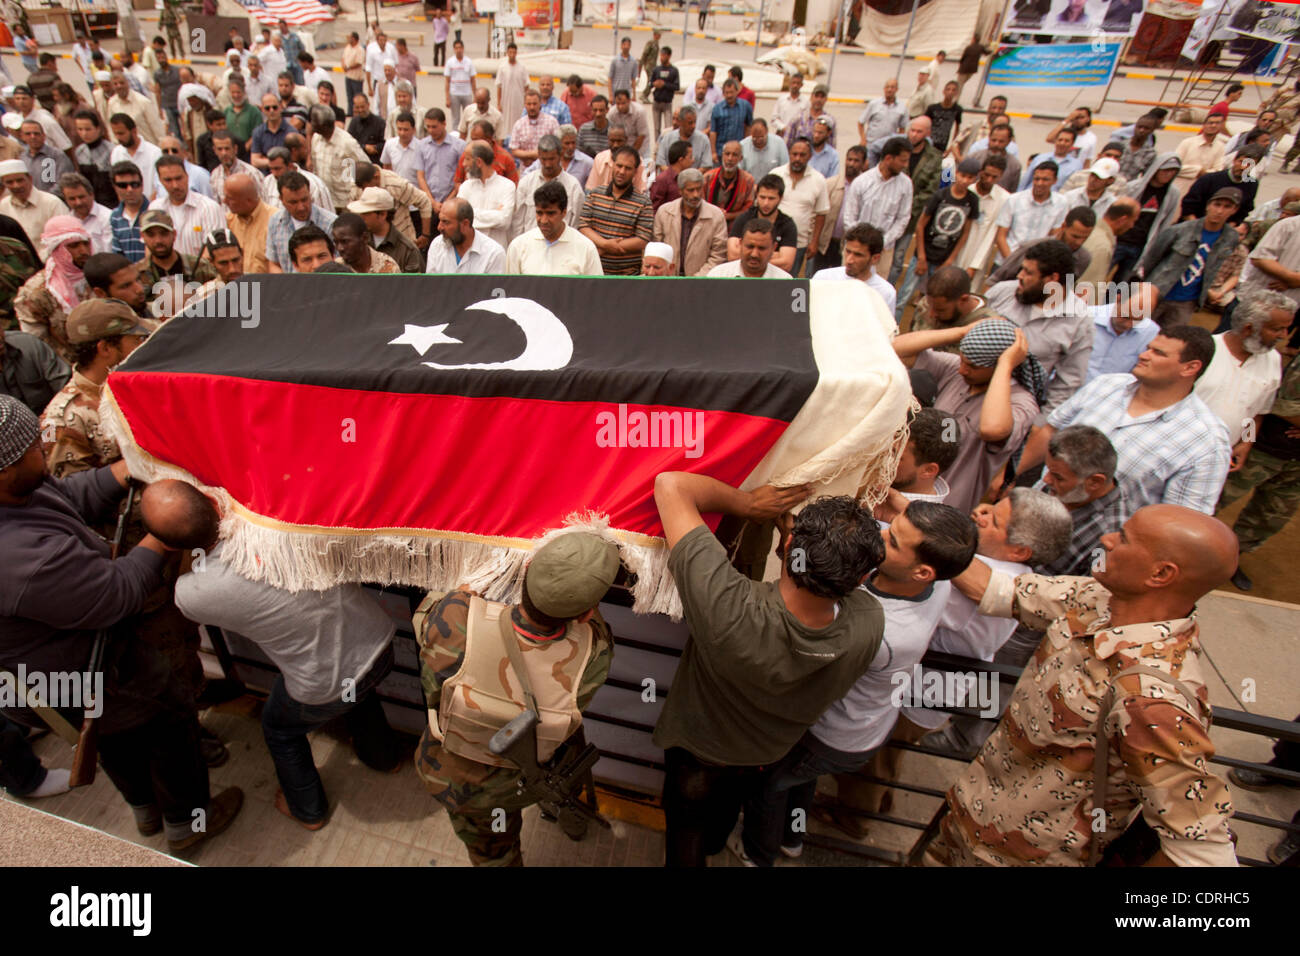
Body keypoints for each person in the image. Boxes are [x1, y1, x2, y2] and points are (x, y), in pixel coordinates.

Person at [0, 393, 244, 854]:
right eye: (34, 448)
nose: (43, 450)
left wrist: (128, 467)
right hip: (86, 670)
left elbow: (66, 498)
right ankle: (188, 825)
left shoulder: (20, 491)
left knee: (116, 740)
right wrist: (165, 528)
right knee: (170, 726)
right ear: (5, 470)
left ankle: (147, 811)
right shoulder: (20, 558)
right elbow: (116, 595)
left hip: (75, 670)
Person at [934, 504, 1240, 867]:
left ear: (1160, 574)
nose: (1106, 540)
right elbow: (997, 590)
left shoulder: (1152, 701)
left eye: (1124, 539)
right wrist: (923, 527)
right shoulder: (1101, 599)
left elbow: (1201, 853)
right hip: (968, 818)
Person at [650, 470, 885, 867]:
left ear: (787, 543)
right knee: (720, 822)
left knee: (685, 836)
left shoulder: (731, 608)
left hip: (697, 758)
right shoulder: (869, 622)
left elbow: (670, 485)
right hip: (763, 759)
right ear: (862, 578)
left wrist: (749, 504)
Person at [734, 501, 977, 866]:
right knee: (797, 781)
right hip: (863, 723)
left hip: (833, 732)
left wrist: (793, 557)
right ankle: (791, 839)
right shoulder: (937, 586)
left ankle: (757, 854)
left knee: (768, 785)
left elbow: (796, 658)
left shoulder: (884, 631)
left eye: (893, 541)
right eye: (891, 527)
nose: (879, 536)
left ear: (923, 571)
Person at [413, 529, 621, 866]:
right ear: (584, 616)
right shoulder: (592, 655)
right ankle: (574, 823)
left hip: (455, 778)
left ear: (524, 568)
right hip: (524, 779)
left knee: (494, 855)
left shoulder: (455, 616)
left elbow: (426, 617)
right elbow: (591, 631)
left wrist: (470, 591)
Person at [1014, 325, 1230, 515]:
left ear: (1190, 368)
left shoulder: (1206, 441)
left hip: (1096, 547)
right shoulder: (1106, 385)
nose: (1144, 355)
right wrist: (1008, 477)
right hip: (1034, 510)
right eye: (1148, 348)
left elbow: (1180, 520)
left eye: (1159, 353)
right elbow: (1051, 431)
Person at [893, 320, 1043, 514]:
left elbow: (992, 428)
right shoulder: (956, 372)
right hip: (901, 487)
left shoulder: (1021, 402)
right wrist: (961, 331)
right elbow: (895, 349)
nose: (963, 369)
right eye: (963, 360)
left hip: (943, 508)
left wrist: (1006, 365)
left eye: (973, 366)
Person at [1218, 334, 1300, 592]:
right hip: (1262, 447)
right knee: (1214, 499)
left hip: (1295, 465)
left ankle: (1230, 560)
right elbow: (1282, 404)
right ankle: (1178, 551)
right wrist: (1247, 439)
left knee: (1270, 516)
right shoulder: (1272, 360)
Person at [1194, 290, 1290, 464]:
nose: (1284, 336)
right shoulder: (1202, 350)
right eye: (1277, 329)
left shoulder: (1273, 359)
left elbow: (1256, 412)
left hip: (1216, 459)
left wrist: (1246, 442)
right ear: (1248, 329)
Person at [1139, 187, 1240, 328]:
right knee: (1137, 330)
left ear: (1234, 210)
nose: (1220, 211)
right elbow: (1152, 258)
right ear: (1208, 206)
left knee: (1170, 340)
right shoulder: (1179, 230)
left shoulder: (1231, 237)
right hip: (1158, 293)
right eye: (1217, 205)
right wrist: (1150, 285)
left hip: (1187, 301)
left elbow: (1214, 267)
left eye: (1227, 207)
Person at [898, 155, 980, 319]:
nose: (964, 180)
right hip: (924, 254)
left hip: (943, 259)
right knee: (904, 295)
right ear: (956, 173)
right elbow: (921, 225)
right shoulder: (940, 195)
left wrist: (950, 261)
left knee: (931, 300)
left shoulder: (972, 201)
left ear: (974, 179)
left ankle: (918, 331)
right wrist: (921, 256)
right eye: (962, 175)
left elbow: (965, 233)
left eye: (970, 178)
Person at [14, 218, 92, 360]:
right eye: (74, 246)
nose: (84, 251)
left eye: (86, 244)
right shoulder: (37, 292)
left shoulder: (97, 276)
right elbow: (37, 345)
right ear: (57, 249)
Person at [841, 138, 912, 277]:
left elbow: (903, 218)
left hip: (884, 251)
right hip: (855, 250)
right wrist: (860, 244)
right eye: (902, 160)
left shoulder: (906, 184)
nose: (906, 164)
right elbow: (849, 217)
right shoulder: (862, 181)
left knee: (877, 291)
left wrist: (882, 242)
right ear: (888, 158)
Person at [577, 146, 652, 275]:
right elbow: (583, 226)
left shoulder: (644, 203)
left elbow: (642, 239)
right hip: (594, 273)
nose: (622, 171)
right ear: (613, 166)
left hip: (628, 276)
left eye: (628, 168)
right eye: (619, 166)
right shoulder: (595, 195)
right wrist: (605, 244)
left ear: (635, 172)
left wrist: (606, 247)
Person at [505, 180, 602, 277]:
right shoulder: (518, 246)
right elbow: (511, 288)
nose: (543, 220)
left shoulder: (586, 248)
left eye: (550, 213)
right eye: (539, 213)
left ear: (564, 213)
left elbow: (596, 289)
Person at [651, 169, 727, 277]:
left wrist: (696, 279)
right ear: (680, 191)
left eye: (699, 189)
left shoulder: (716, 216)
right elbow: (656, 248)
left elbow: (718, 256)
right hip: (667, 280)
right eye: (690, 190)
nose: (696, 195)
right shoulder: (664, 212)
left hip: (702, 282)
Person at [992, 161, 1069, 266]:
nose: (1039, 183)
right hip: (1007, 261)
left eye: (1045, 179)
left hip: (1036, 267)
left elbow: (1054, 237)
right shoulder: (1014, 199)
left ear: (1055, 180)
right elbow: (1001, 236)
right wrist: (1012, 262)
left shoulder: (1061, 203)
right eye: (1037, 179)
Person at [510, 136, 583, 243]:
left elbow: (576, 223)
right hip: (531, 246)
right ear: (538, 156)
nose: (548, 164)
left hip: (562, 246)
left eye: (552, 159)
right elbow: (517, 222)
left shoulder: (573, 186)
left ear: (560, 156)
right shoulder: (526, 183)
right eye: (544, 159)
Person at [148, 156, 224, 259]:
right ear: (160, 181)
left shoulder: (209, 208)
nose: (175, 185)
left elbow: (214, 249)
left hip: (202, 273)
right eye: (168, 180)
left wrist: (185, 274)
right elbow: (149, 247)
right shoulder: (155, 208)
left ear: (187, 176)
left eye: (178, 178)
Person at [772, 139, 828, 276]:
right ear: (789, 154)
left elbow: (821, 213)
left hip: (800, 243)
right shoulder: (775, 174)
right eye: (794, 154)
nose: (797, 158)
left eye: (802, 155)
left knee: (792, 281)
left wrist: (814, 242)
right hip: (773, 241)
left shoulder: (818, 180)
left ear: (810, 156)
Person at [815, 223, 897, 313]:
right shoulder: (823, 278)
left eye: (858, 255)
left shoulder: (886, 293)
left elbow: (885, 326)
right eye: (848, 251)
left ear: (875, 258)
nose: (849, 260)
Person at [1086, 282, 1161, 381]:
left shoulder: (1150, 332)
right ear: (1118, 299)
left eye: (1137, 320)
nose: (1128, 324)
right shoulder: (1085, 317)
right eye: (1125, 317)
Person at [265, 171, 336, 273]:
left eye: (304, 200)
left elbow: (337, 265)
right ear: (281, 200)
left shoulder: (330, 223)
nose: (301, 207)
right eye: (293, 202)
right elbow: (273, 263)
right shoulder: (275, 222)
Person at [726, 174, 798, 274]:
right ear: (756, 195)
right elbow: (732, 255)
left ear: (780, 198)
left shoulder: (787, 225)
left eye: (771, 198)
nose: (765, 203)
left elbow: (786, 264)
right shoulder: (743, 218)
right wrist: (773, 254)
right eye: (762, 197)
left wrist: (746, 254)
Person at [344, 185, 420, 274]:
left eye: (365, 213)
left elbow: (414, 284)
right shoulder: (358, 242)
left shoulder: (407, 250)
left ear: (383, 214)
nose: (361, 217)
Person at [0, 160, 70, 253]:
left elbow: (65, 238)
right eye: (10, 182)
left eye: (20, 180)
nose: (16, 186)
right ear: (4, 185)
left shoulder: (52, 203)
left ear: (30, 179)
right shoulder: (3, 206)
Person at [1181, 145, 1262, 224]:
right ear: (1234, 160)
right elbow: (1188, 207)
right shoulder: (1209, 179)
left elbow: (1243, 212)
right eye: (1241, 162)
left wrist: (1226, 231)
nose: (1243, 167)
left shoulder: (1252, 185)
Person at [908, 264, 993, 339]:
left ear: (963, 300)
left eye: (940, 310)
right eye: (930, 305)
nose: (931, 314)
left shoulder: (987, 327)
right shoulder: (925, 303)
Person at [309, 106, 369, 211]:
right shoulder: (316, 139)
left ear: (324, 126)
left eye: (314, 123)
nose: (311, 125)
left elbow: (366, 167)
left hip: (343, 204)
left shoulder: (346, 143)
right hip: (323, 202)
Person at [426, 197, 506, 275]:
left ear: (465, 224)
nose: (439, 227)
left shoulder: (493, 253)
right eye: (440, 220)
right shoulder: (437, 245)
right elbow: (431, 286)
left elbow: (495, 288)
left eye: (445, 222)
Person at [457, 142, 515, 250]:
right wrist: (495, 214)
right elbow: (459, 219)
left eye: (467, 159)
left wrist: (472, 213)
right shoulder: (465, 187)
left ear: (478, 162)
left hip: (497, 251)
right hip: (470, 251)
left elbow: (504, 221)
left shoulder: (507, 186)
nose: (463, 164)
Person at [419, 108, 466, 213]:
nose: (431, 130)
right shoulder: (422, 145)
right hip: (428, 204)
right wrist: (432, 201)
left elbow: (462, 177)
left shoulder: (459, 146)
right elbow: (420, 176)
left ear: (444, 124)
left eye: (434, 127)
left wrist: (448, 201)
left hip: (453, 204)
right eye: (428, 127)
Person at [709, 217, 790, 278]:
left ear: (774, 247)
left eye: (761, 248)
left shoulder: (784, 281)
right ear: (740, 243)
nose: (754, 254)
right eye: (750, 247)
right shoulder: (718, 275)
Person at [702, 142, 755, 228]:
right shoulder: (708, 177)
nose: (730, 158)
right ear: (722, 156)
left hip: (734, 226)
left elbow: (749, 209)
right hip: (708, 223)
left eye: (734, 155)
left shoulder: (748, 180)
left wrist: (729, 215)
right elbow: (700, 202)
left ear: (740, 158)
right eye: (727, 154)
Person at [57, 173, 112, 255]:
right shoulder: (67, 222)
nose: (78, 203)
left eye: (81, 197)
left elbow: (109, 253)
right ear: (66, 200)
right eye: (72, 199)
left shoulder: (107, 217)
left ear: (92, 194)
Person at [18, 120, 74, 195]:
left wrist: (43, 199)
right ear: (22, 137)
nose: (33, 137)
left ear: (43, 135)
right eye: (28, 134)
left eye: (36, 133)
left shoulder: (57, 155)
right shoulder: (22, 158)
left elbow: (64, 183)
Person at [1173, 114, 1226, 191]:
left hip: (1202, 189)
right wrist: (1198, 171)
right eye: (1210, 123)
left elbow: (1218, 171)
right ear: (1204, 125)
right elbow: (1175, 166)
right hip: (1180, 187)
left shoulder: (1220, 147)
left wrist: (1204, 173)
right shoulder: (1187, 142)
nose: (1213, 126)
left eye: (1217, 123)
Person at [509, 89, 561, 166]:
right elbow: (514, 150)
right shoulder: (519, 124)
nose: (532, 107)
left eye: (534, 104)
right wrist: (532, 155)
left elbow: (558, 146)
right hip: (526, 171)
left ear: (540, 103)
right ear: (524, 104)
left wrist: (539, 157)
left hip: (548, 168)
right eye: (529, 104)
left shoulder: (552, 122)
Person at [655, 106, 711, 174]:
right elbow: (660, 163)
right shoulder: (667, 138)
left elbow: (706, 166)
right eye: (690, 123)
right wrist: (675, 176)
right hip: (670, 180)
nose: (693, 126)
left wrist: (689, 178)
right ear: (680, 122)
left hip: (694, 181)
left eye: (695, 122)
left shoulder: (703, 140)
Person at [1113, 112, 1159, 183]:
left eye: (1146, 128)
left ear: (1152, 131)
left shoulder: (1150, 153)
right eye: (1139, 127)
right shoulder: (1120, 145)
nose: (1141, 130)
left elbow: (1146, 177)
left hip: (1128, 188)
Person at [607, 90, 650, 166]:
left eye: (623, 103)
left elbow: (641, 136)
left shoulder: (639, 112)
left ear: (629, 101)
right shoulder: (612, 113)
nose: (620, 106)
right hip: (621, 147)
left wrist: (630, 154)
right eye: (618, 104)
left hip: (641, 148)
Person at [495, 43, 528, 138]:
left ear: (516, 53)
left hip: (519, 100)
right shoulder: (502, 67)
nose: (512, 54)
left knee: (518, 119)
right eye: (510, 52)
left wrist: (526, 101)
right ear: (507, 53)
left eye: (514, 52)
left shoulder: (522, 67)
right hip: (505, 100)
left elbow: (526, 85)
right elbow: (499, 85)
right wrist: (498, 103)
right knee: (505, 121)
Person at [650, 140, 692, 211]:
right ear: (681, 159)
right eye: (690, 157)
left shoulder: (688, 178)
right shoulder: (662, 179)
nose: (693, 160)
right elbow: (655, 209)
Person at [648, 48, 679, 142]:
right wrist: (654, 84)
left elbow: (676, 86)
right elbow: (650, 83)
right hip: (657, 102)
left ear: (669, 56)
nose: (662, 57)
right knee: (656, 128)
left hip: (667, 102)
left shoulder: (673, 70)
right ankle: (657, 145)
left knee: (668, 127)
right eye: (661, 55)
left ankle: (668, 143)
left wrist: (665, 85)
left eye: (664, 55)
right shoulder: (656, 69)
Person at [925, 81, 963, 154]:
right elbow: (925, 124)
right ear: (943, 91)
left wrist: (951, 147)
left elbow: (957, 129)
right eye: (948, 89)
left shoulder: (957, 109)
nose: (950, 92)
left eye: (953, 90)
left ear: (956, 93)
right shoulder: (932, 108)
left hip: (942, 145)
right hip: (929, 141)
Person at [348, 94, 387, 163]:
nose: (360, 110)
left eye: (362, 107)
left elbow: (386, 143)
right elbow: (349, 142)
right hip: (358, 162)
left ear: (368, 105)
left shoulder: (380, 122)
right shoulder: (354, 122)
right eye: (357, 107)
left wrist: (376, 148)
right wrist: (364, 147)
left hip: (375, 161)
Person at [771, 73, 808, 139]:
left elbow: (806, 121)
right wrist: (783, 127)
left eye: (798, 83)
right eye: (793, 83)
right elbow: (774, 119)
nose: (795, 85)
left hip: (797, 137)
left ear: (801, 85)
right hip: (781, 135)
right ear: (790, 83)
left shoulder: (806, 102)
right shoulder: (781, 99)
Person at [577, 95, 612, 159]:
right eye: (595, 110)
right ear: (591, 110)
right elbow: (578, 151)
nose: (598, 114)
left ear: (607, 110)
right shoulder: (584, 129)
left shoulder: (613, 130)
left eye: (601, 110)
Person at [609, 36, 639, 102]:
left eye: (628, 45)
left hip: (627, 93)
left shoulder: (633, 62)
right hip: (616, 92)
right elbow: (610, 78)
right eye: (624, 44)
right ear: (621, 46)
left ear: (630, 46)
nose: (626, 47)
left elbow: (633, 80)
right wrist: (610, 95)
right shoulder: (615, 60)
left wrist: (634, 95)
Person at [638, 30, 662, 103]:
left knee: (653, 80)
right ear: (655, 35)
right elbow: (644, 54)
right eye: (658, 35)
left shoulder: (656, 43)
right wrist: (641, 64)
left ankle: (646, 95)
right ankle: (644, 95)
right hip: (649, 65)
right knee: (651, 81)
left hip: (653, 65)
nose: (660, 36)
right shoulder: (650, 43)